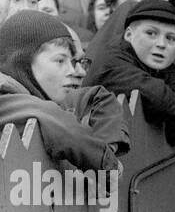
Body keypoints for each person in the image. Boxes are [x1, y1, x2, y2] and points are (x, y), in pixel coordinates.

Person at [0, 10, 126, 173]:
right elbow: (49, 118)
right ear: (23, 61)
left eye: (73, 61)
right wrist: (106, 163)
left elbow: (96, 96)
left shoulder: (36, 94)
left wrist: (109, 145)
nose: (75, 70)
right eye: (60, 60)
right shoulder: (4, 95)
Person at [83, 0, 175, 146]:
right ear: (129, 35)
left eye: (170, 38)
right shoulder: (112, 61)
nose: (161, 44)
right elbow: (158, 96)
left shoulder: (152, 63)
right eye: (151, 33)